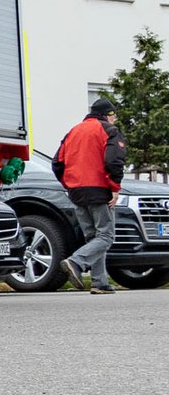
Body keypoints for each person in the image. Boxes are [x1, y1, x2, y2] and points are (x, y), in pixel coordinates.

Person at [53, 98, 127, 293]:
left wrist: (70, 184)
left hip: (76, 191)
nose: (115, 119)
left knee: (93, 237)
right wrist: (115, 187)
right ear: (107, 115)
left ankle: (99, 282)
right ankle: (75, 262)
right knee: (106, 236)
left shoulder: (73, 131)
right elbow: (114, 161)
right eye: (114, 115)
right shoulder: (109, 131)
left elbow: (57, 163)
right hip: (98, 189)